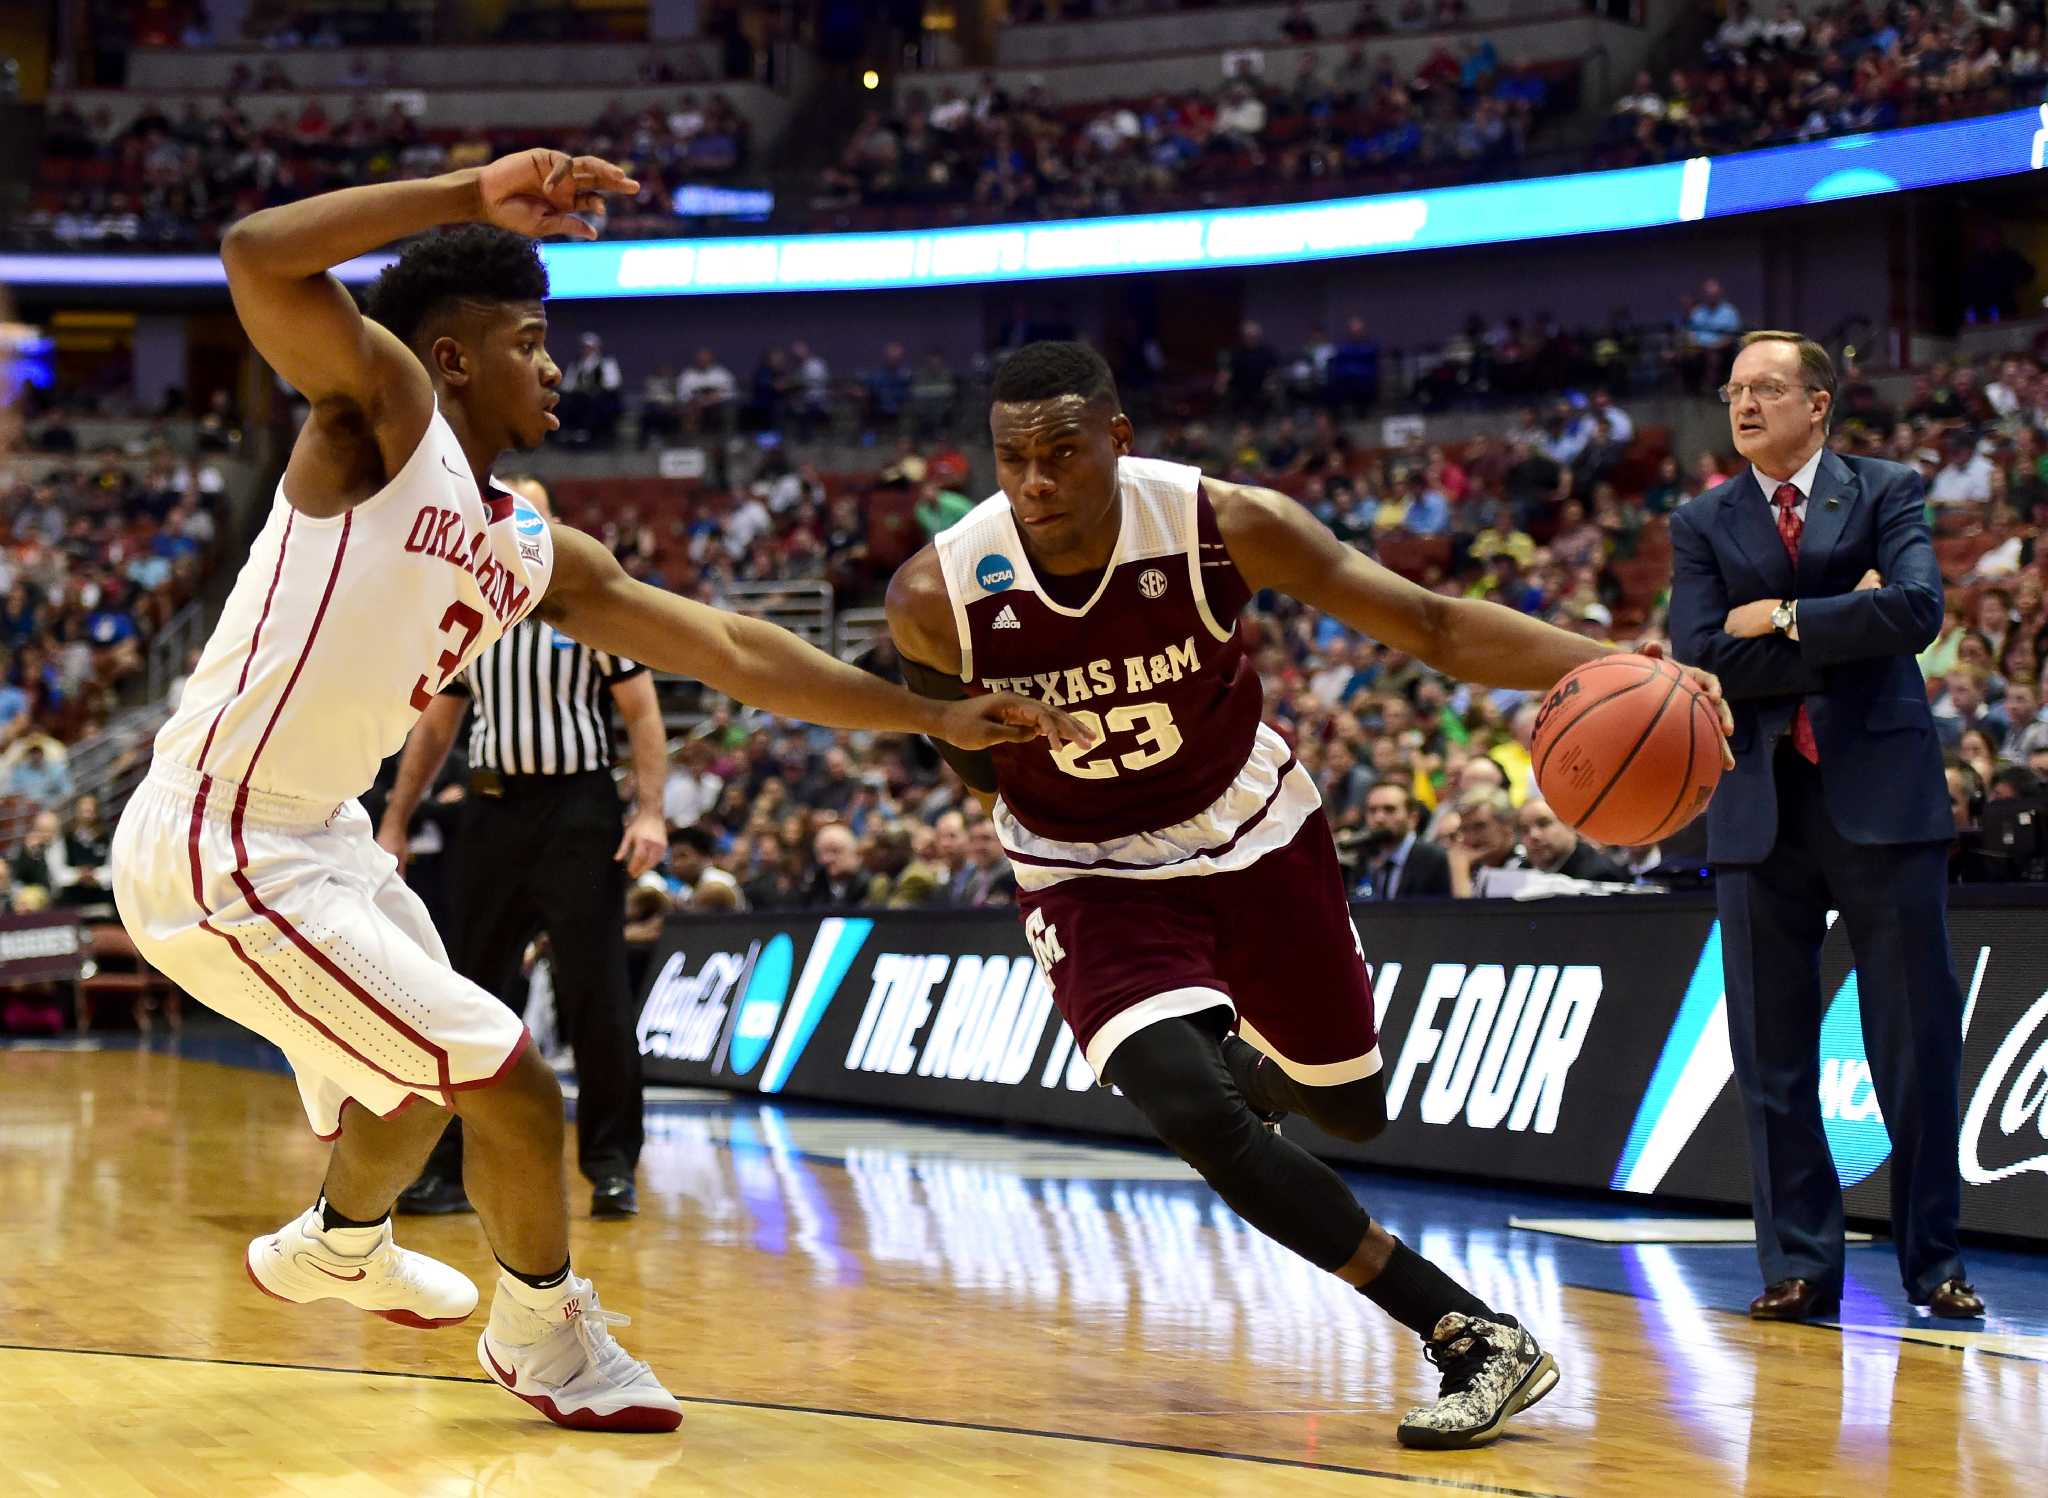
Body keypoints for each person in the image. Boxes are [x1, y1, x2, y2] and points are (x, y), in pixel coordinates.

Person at [109, 151, 1081, 1435]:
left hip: (322, 836)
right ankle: (545, 1336)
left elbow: (730, 647)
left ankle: (337, 1246)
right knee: (510, 1078)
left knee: (412, 1087)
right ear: (453, 357)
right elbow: (255, 254)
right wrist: (470, 194)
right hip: (218, 836)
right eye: (528, 339)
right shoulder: (379, 414)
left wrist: (923, 713)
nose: (558, 365)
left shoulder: (529, 545)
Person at [884, 341, 1731, 1449]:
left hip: (1249, 825)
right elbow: (968, 759)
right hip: (1082, 865)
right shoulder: (935, 594)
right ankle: (1466, 1329)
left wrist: (1630, 664)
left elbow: (1430, 626)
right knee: (1198, 1118)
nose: (1035, 482)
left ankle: (1243, 1062)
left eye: (1060, 453)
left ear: (1117, 441)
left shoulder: (1224, 523)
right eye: (1012, 460)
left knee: (1348, 1108)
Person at [1669, 329, 1981, 1323]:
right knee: (1770, 1058)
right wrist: (1835, 617)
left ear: (1818, 403)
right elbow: (1702, 656)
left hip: (1881, 804)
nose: (1744, 404)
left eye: (1765, 387)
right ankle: (1798, 1265)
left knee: (1914, 1048)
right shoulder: (1700, 519)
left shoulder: (1884, 487)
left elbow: (1916, 610)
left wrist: (1778, 620)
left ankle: (1931, 1261)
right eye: (1732, 390)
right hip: (1758, 812)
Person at [376, 475, 668, 1222]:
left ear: (551, 524)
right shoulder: (473, 615)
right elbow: (437, 727)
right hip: (493, 812)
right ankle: (447, 1170)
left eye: (525, 512)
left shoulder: (590, 610)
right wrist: (397, 818)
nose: (510, 524)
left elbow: (641, 711)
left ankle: (610, 1167)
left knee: (595, 992)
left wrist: (652, 812)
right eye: (501, 514)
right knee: (467, 991)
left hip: (579, 811)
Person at [1354, 780, 1451, 899]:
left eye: (1389, 810)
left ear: (1412, 818)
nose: (1379, 818)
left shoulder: (1434, 859)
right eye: (1372, 810)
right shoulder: (1361, 857)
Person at [1513, 797, 1630, 883]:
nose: (1534, 835)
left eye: (1544, 823)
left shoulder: (1599, 876)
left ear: (1569, 824)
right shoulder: (1521, 875)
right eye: (1524, 830)